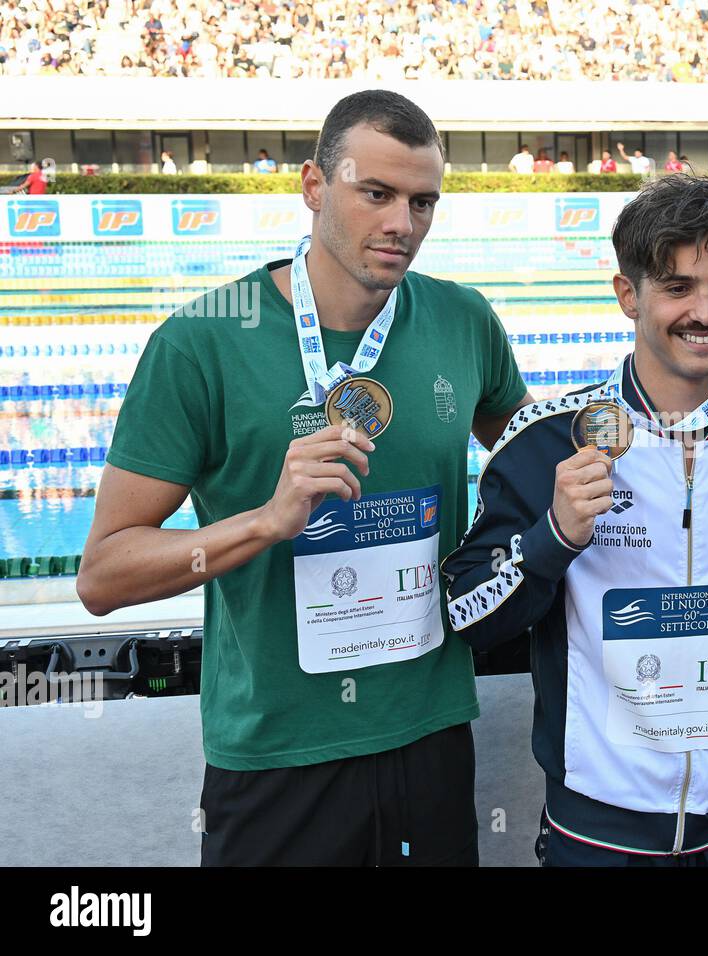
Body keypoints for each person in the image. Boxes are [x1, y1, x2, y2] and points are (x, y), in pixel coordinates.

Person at [77, 89, 540, 867]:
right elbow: (101, 576)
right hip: (275, 757)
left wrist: (698, 404)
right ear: (314, 187)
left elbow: (537, 458)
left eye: (423, 202)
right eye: (377, 194)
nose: (403, 223)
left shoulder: (464, 321)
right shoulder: (202, 342)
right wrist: (264, 520)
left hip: (427, 736)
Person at [443, 175, 708, 865]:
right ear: (629, 296)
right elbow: (467, 611)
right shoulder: (547, 441)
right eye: (678, 287)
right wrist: (553, 536)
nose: (706, 311)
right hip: (599, 834)